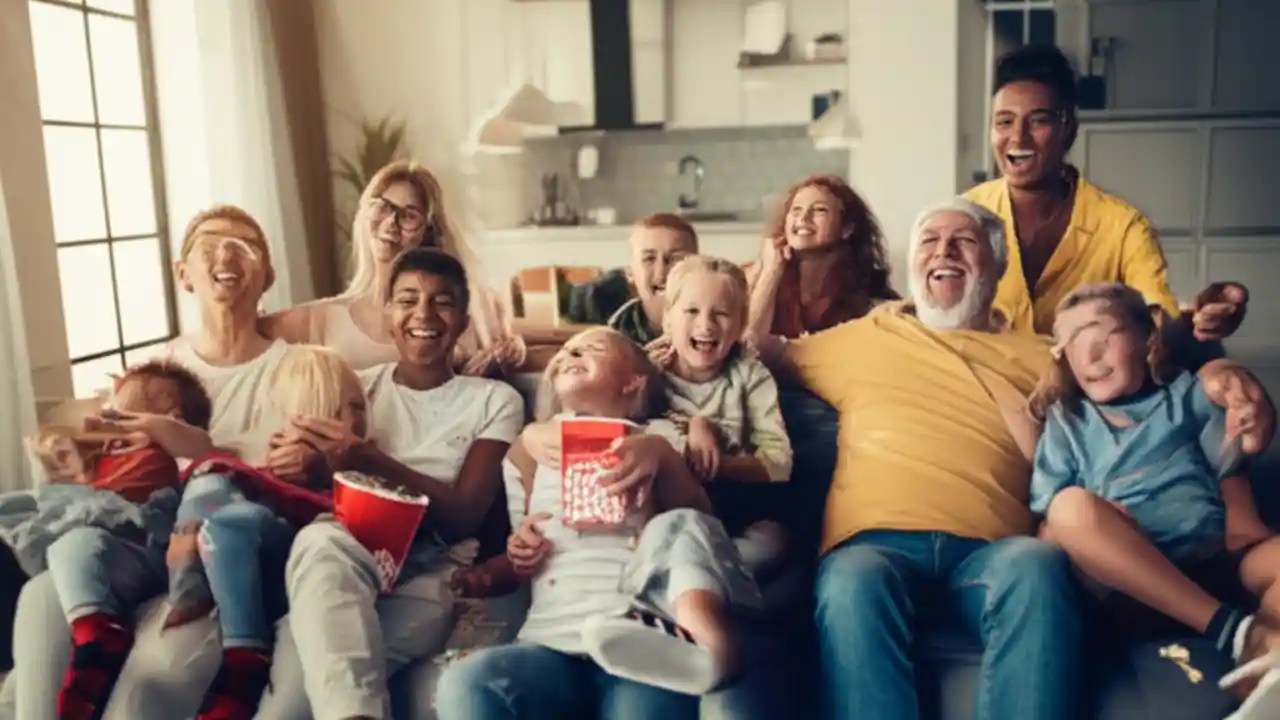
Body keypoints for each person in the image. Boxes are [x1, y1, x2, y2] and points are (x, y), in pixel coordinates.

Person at [777, 198, 1274, 720]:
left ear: (996, 267)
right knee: (850, 581)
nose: (943, 251)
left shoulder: (1046, 354)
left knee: (1037, 564)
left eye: (963, 241)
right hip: (874, 544)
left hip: (990, 552)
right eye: (929, 240)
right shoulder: (861, 339)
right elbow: (746, 351)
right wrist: (770, 270)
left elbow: (1157, 363)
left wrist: (1227, 373)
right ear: (911, 262)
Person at [0, 205, 295, 720]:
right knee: (44, 594)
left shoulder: (292, 365)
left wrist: (195, 445)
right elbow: (86, 438)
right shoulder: (157, 367)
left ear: (267, 274)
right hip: (122, 542)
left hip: (208, 553)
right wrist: (67, 450)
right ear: (183, 273)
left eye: (243, 246)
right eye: (209, 245)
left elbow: (287, 473)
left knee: (146, 681)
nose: (225, 255)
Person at [252, 247, 525, 720]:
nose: (424, 313)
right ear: (389, 314)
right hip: (345, 563)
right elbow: (294, 464)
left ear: (462, 320)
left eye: (442, 302)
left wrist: (368, 458)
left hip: (428, 572)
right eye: (407, 299)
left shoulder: (493, 400)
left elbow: (464, 516)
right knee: (320, 542)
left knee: (301, 698)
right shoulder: (359, 386)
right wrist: (297, 461)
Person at [435, 327, 759, 720]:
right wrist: (513, 555)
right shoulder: (532, 449)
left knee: (644, 707)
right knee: (466, 681)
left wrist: (663, 456)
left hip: (642, 647)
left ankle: (705, 653)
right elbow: (522, 548)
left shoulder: (658, 437)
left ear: (632, 383)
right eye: (568, 350)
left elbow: (699, 527)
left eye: (592, 349)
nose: (573, 353)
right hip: (551, 644)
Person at [1028, 283, 1280, 708]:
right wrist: (1093, 525)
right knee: (1069, 508)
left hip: (1210, 561)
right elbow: (1049, 518)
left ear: (1146, 339)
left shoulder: (1182, 397)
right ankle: (1232, 631)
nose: (1089, 356)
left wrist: (1253, 419)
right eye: (1073, 344)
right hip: (1130, 582)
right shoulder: (1068, 422)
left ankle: (1258, 674)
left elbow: (1241, 435)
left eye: (1103, 336)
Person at [965, 45, 1249, 342]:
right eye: (1004, 122)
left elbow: (1155, 314)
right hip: (983, 384)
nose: (1018, 137)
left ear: (1068, 128)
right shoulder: (965, 214)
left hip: (1089, 386)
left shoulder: (1124, 226)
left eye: (1038, 120)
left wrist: (1198, 319)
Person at [260, 160, 524, 375]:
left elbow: (511, 355)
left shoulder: (468, 311)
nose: (390, 223)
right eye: (383, 208)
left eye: (409, 215)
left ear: (428, 232)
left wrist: (515, 349)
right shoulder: (325, 317)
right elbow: (247, 333)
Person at [745, 174, 898, 348]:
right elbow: (746, 349)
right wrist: (771, 272)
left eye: (819, 210)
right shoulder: (749, 277)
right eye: (796, 210)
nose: (803, 219)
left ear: (847, 228)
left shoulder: (869, 296)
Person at [606, 213, 699, 347]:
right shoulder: (614, 338)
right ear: (630, 273)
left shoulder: (719, 327)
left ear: (699, 267)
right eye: (649, 259)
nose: (662, 273)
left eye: (676, 259)